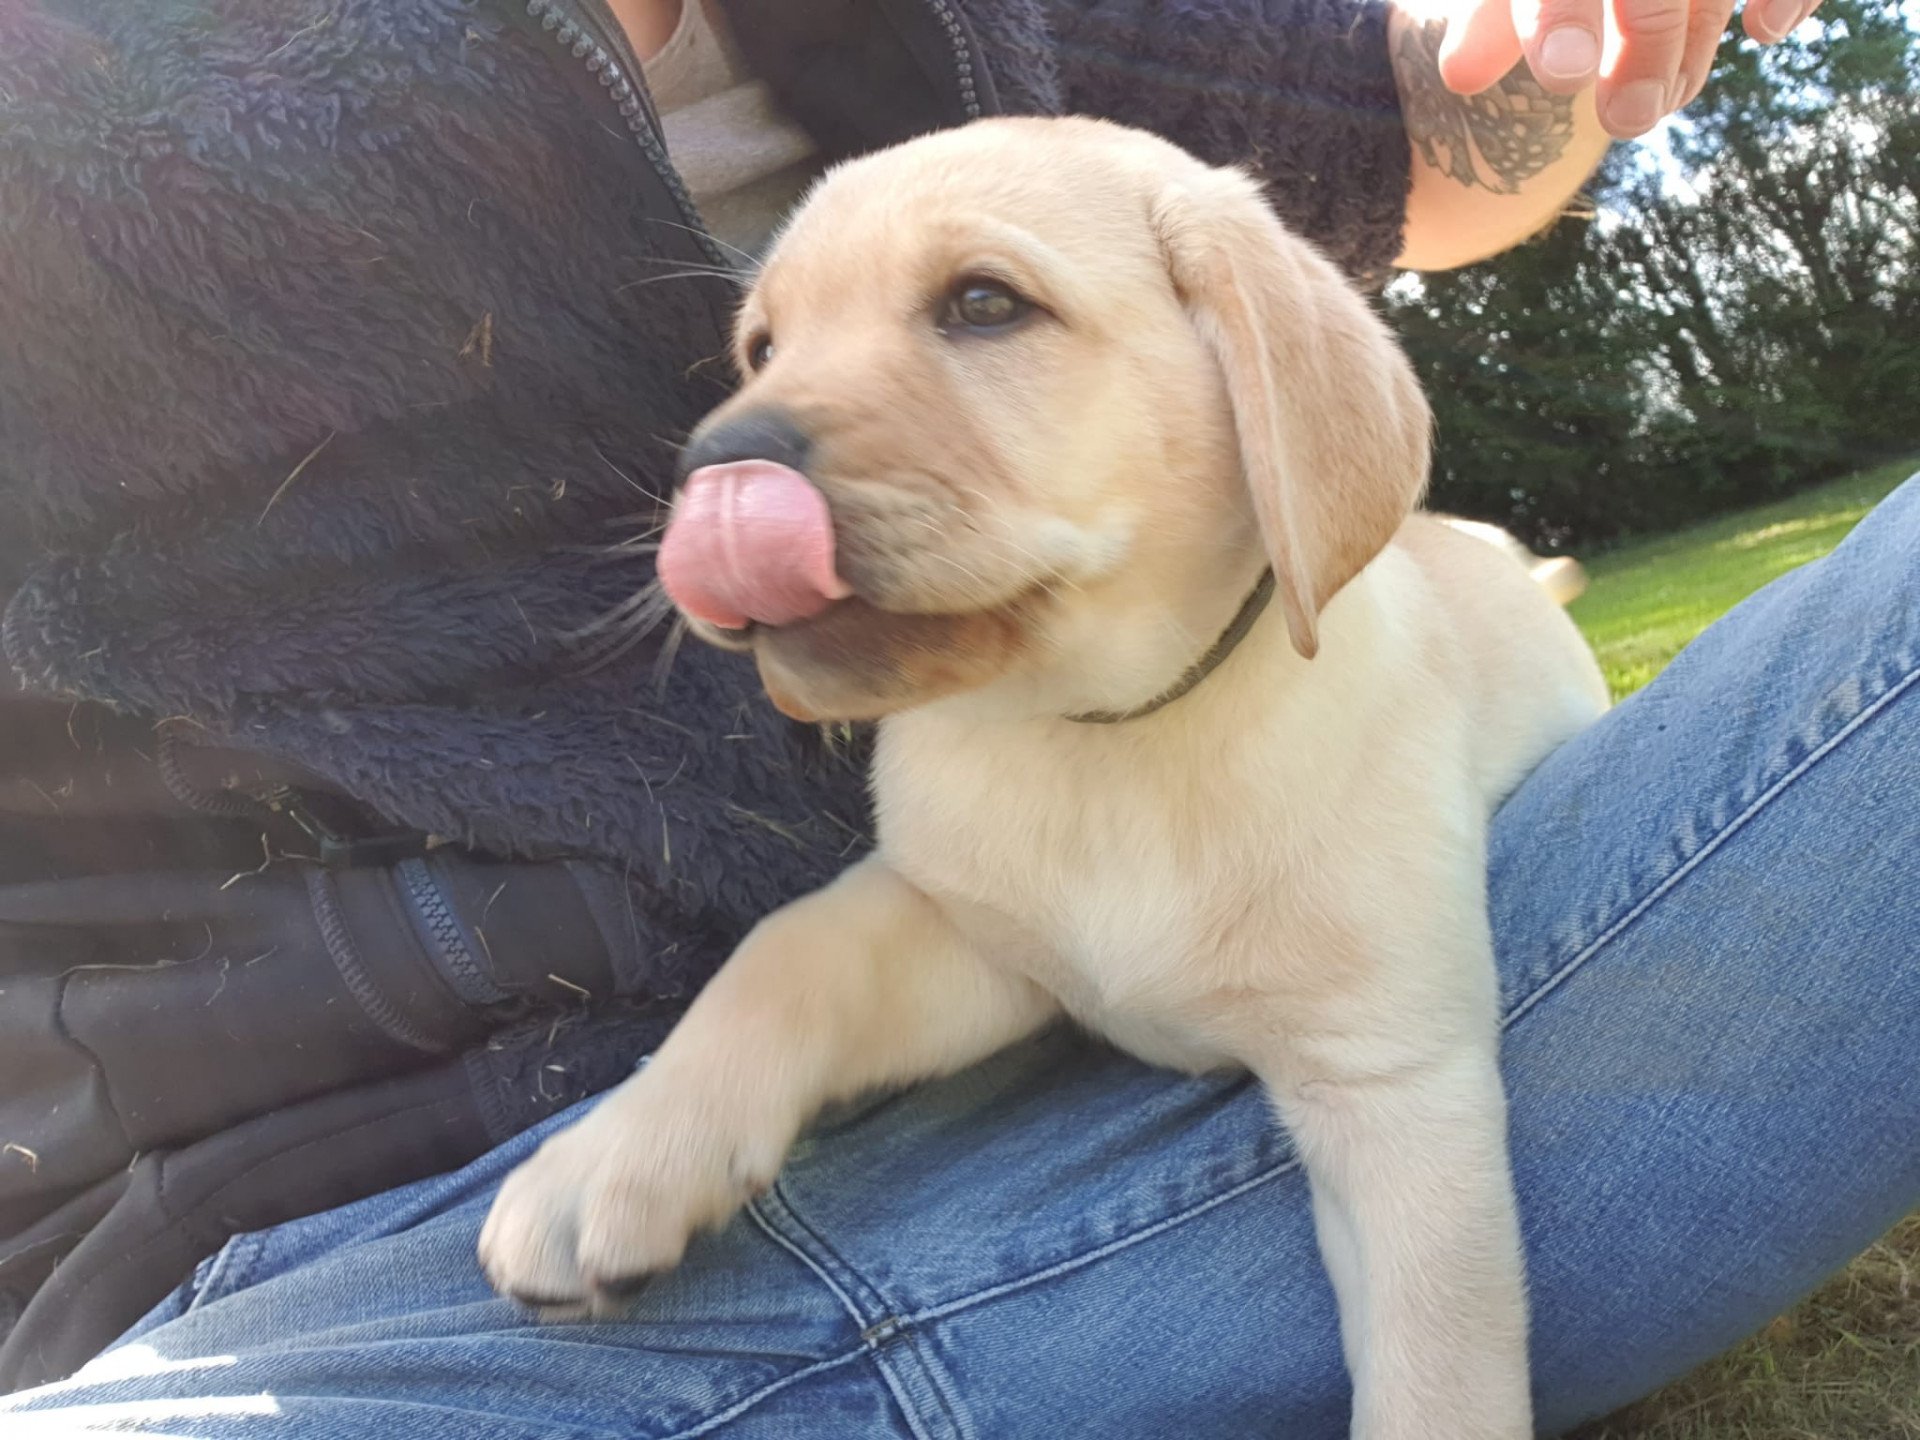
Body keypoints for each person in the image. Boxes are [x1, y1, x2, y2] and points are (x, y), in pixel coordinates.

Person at [2, 0, 1911, 1434]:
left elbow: (1391, 110)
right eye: (762, 350)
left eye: (980, 306)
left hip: (1317, 1047)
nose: (761, 438)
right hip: (316, 1247)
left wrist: (1537, 47)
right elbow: (937, 924)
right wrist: (738, 1058)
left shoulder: (1005, 51)